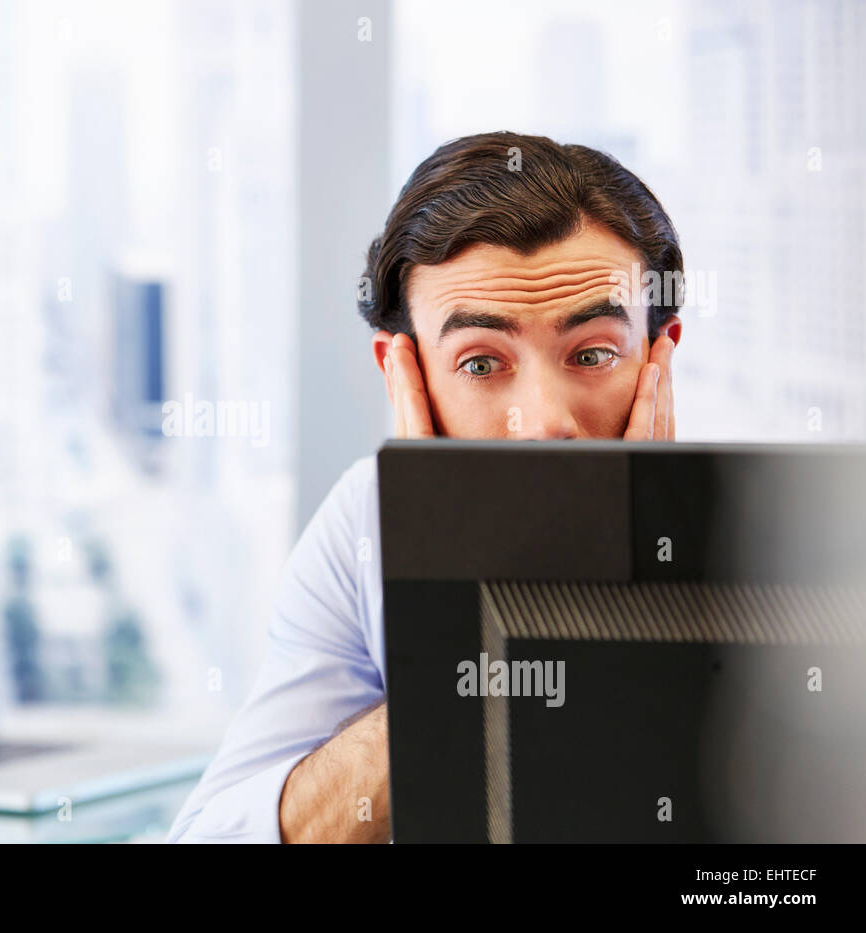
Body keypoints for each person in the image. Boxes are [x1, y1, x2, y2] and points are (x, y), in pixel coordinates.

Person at [167, 131, 684, 843]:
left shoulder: (771, 528)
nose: (541, 423)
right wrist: (464, 638)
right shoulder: (365, 522)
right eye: (479, 363)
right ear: (404, 375)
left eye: (591, 353)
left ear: (658, 355)